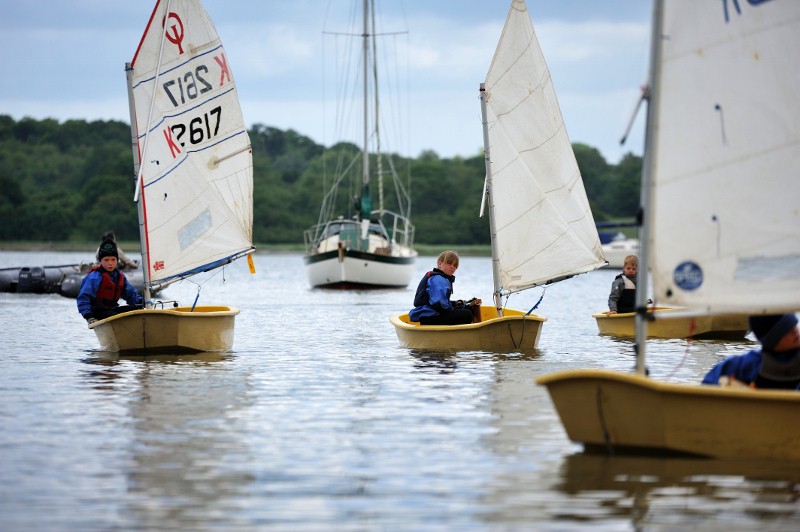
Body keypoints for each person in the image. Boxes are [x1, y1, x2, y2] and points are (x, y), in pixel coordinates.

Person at [702, 314, 800, 390]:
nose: (795, 331)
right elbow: (706, 388)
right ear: (772, 339)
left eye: (794, 324)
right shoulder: (743, 366)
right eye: (786, 329)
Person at [78, 239, 143, 325]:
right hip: (97, 313)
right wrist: (88, 316)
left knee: (138, 310)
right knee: (113, 315)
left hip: (112, 310)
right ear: (100, 261)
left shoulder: (120, 276)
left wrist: (141, 302)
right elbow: (83, 298)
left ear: (117, 260)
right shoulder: (94, 278)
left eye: (113, 259)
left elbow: (130, 294)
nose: (110, 263)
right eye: (106, 260)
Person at [409, 250, 481, 326]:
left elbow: (440, 301)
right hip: (429, 317)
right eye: (449, 263)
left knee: (467, 308)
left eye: (455, 265)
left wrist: (455, 304)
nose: (452, 267)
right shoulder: (438, 279)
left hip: (432, 315)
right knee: (467, 314)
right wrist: (453, 308)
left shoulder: (441, 278)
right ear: (440, 264)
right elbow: (438, 304)